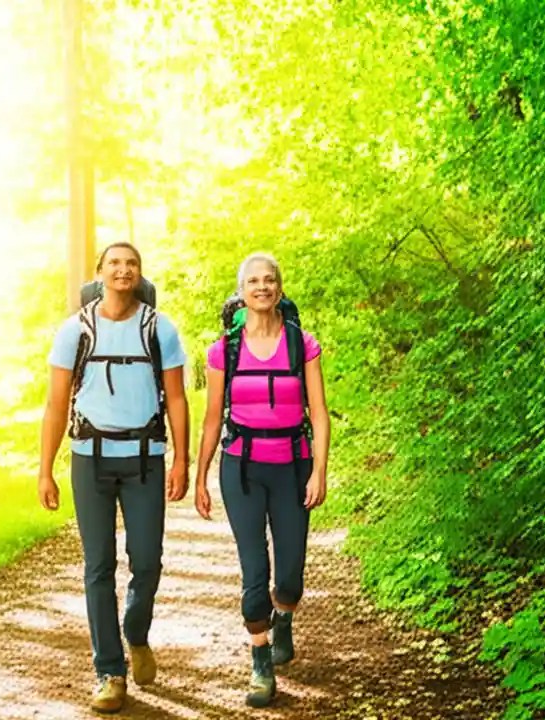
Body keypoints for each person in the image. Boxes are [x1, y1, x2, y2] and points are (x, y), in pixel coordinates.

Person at [38, 242, 190, 714]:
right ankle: (109, 672)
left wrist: (181, 461)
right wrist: (45, 469)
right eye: (115, 263)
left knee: (146, 563)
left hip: (145, 459)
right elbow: (55, 403)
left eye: (132, 264)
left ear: (139, 274)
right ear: (100, 272)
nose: (123, 270)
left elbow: (178, 399)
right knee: (98, 568)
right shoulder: (74, 331)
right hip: (90, 461)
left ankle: (136, 633)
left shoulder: (159, 329)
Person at [193, 251, 330, 708]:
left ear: (280, 288)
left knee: (289, 576)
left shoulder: (302, 344)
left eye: (270, 280)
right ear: (242, 291)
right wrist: (200, 477)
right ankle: (260, 662)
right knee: (255, 571)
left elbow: (321, 415)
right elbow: (212, 420)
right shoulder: (224, 351)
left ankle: (284, 616)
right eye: (253, 281)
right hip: (243, 468)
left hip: (293, 464)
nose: (262, 287)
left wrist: (320, 471)